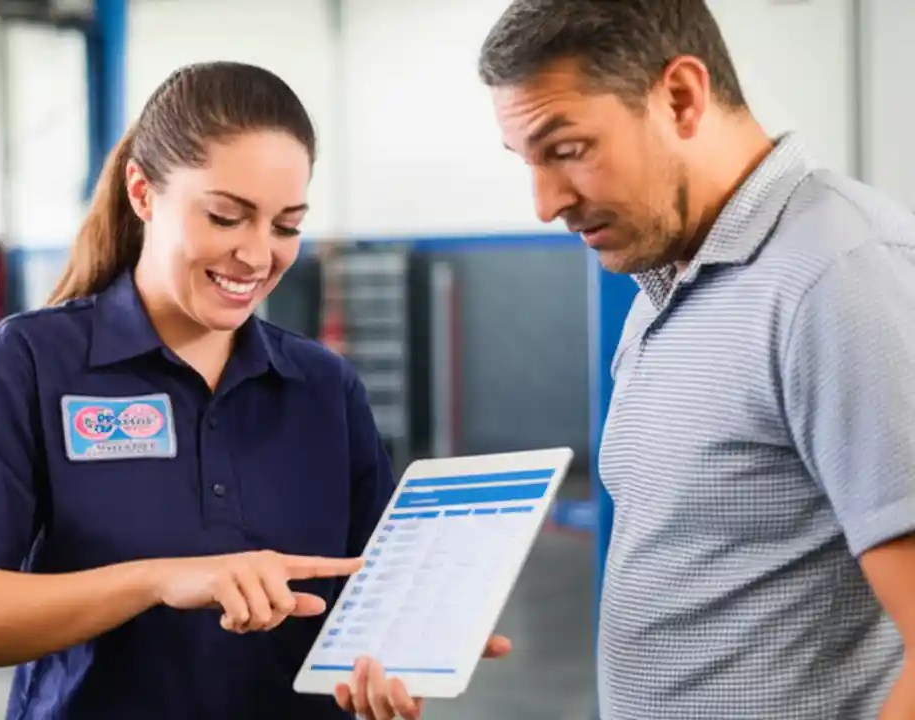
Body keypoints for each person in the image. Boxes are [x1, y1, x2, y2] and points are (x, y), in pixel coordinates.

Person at [338, 1, 915, 719]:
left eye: (568, 149)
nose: (545, 203)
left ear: (680, 97)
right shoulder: (665, 281)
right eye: (528, 162)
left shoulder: (840, 274)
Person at [0, 61, 406, 719]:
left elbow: (377, 602)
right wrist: (159, 579)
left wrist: (399, 663)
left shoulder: (322, 387)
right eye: (226, 217)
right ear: (143, 193)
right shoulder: (30, 364)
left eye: (285, 226)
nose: (256, 256)